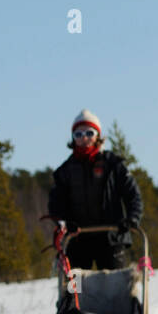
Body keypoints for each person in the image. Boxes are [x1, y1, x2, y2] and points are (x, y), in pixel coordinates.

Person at [48, 110, 143, 269]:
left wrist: (132, 218)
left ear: (97, 136)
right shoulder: (64, 172)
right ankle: (71, 294)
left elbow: (133, 195)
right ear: (73, 138)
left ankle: (120, 294)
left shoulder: (113, 165)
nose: (84, 138)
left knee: (114, 285)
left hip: (112, 237)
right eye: (78, 134)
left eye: (89, 133)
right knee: (74, 286)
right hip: (77, 239)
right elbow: (55, 204)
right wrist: (64, 223)